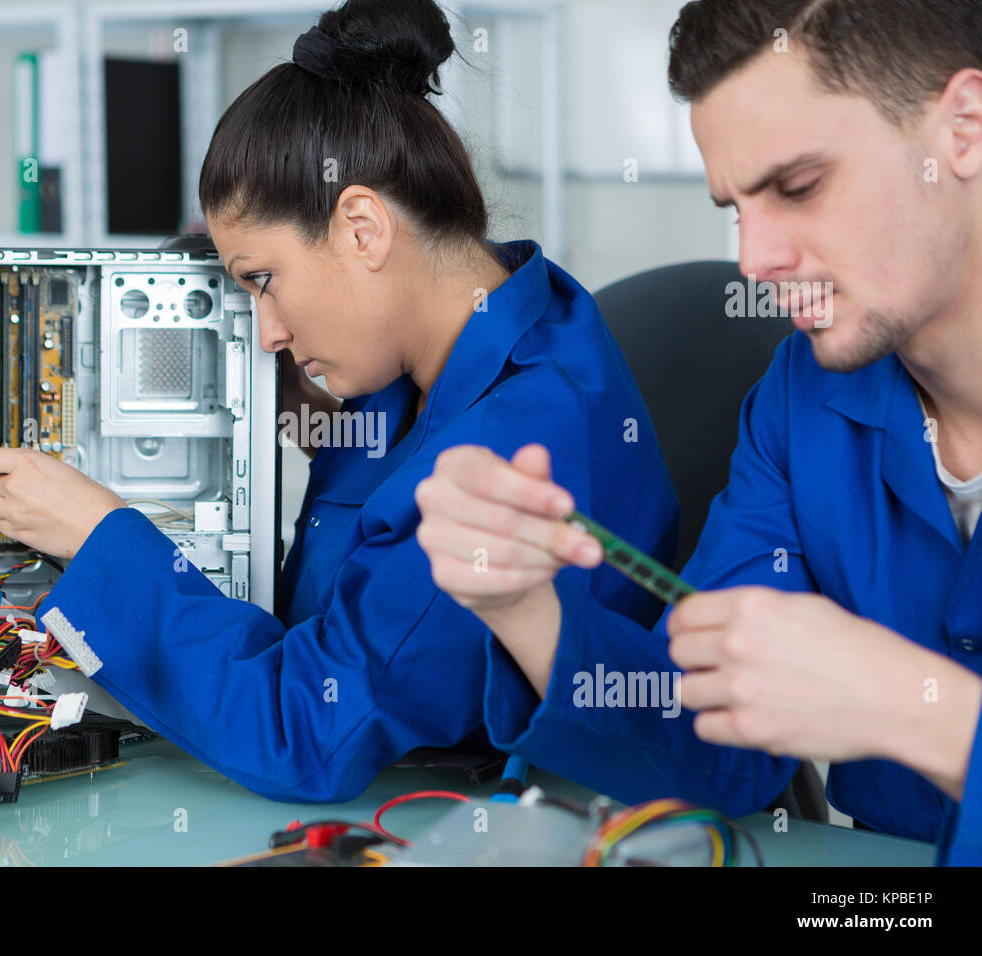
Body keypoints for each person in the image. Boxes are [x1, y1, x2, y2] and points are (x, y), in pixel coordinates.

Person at [0, 0, 676, 801]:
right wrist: (306, 423)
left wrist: (100, 542)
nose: (267, 332)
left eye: (263, 281)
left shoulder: (513, 446)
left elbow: (306, 728)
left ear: (364, 228)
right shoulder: (465, 335)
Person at [414, 0, 982, 864]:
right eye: (736, 207)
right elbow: (716, 743)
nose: (754, 260)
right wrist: (524, 607)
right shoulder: (798, 401)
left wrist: (914, 708)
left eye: (798, 187)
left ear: (964, 130)